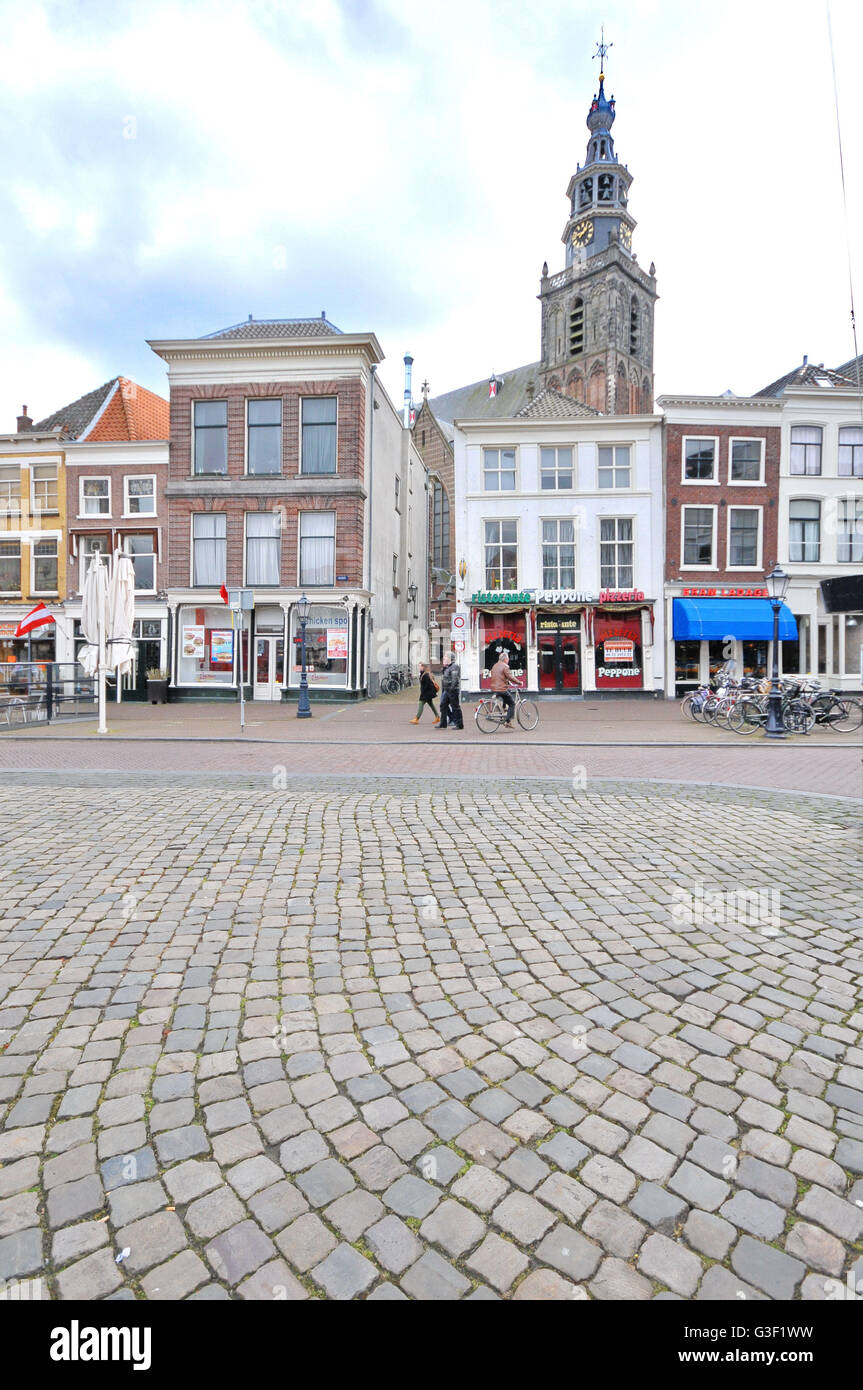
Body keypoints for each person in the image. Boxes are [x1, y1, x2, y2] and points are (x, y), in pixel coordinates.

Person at [488, 649, 522, 729]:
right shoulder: (505, 666)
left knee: (507, 694)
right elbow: (510, 677)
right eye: (508, 659)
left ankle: (504, 708)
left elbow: (499, 676)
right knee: (512, 704)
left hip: (494, 688)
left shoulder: (494, 665)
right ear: (505, 659)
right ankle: (507, 721)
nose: (508, 661)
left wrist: (506, 681)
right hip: (501, 689)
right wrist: (519, 682)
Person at [438, 651, 464, 730]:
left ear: (450, 659)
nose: (444, 658)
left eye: (445, 657)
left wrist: (451, 689)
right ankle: (443, 723)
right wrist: (445, 667)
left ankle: (459, 725)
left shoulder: (454, 666)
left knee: (455, 707)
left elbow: (454, 679)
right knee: (443, 705)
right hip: (447, 690)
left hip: (452, 690)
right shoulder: (448, 667)